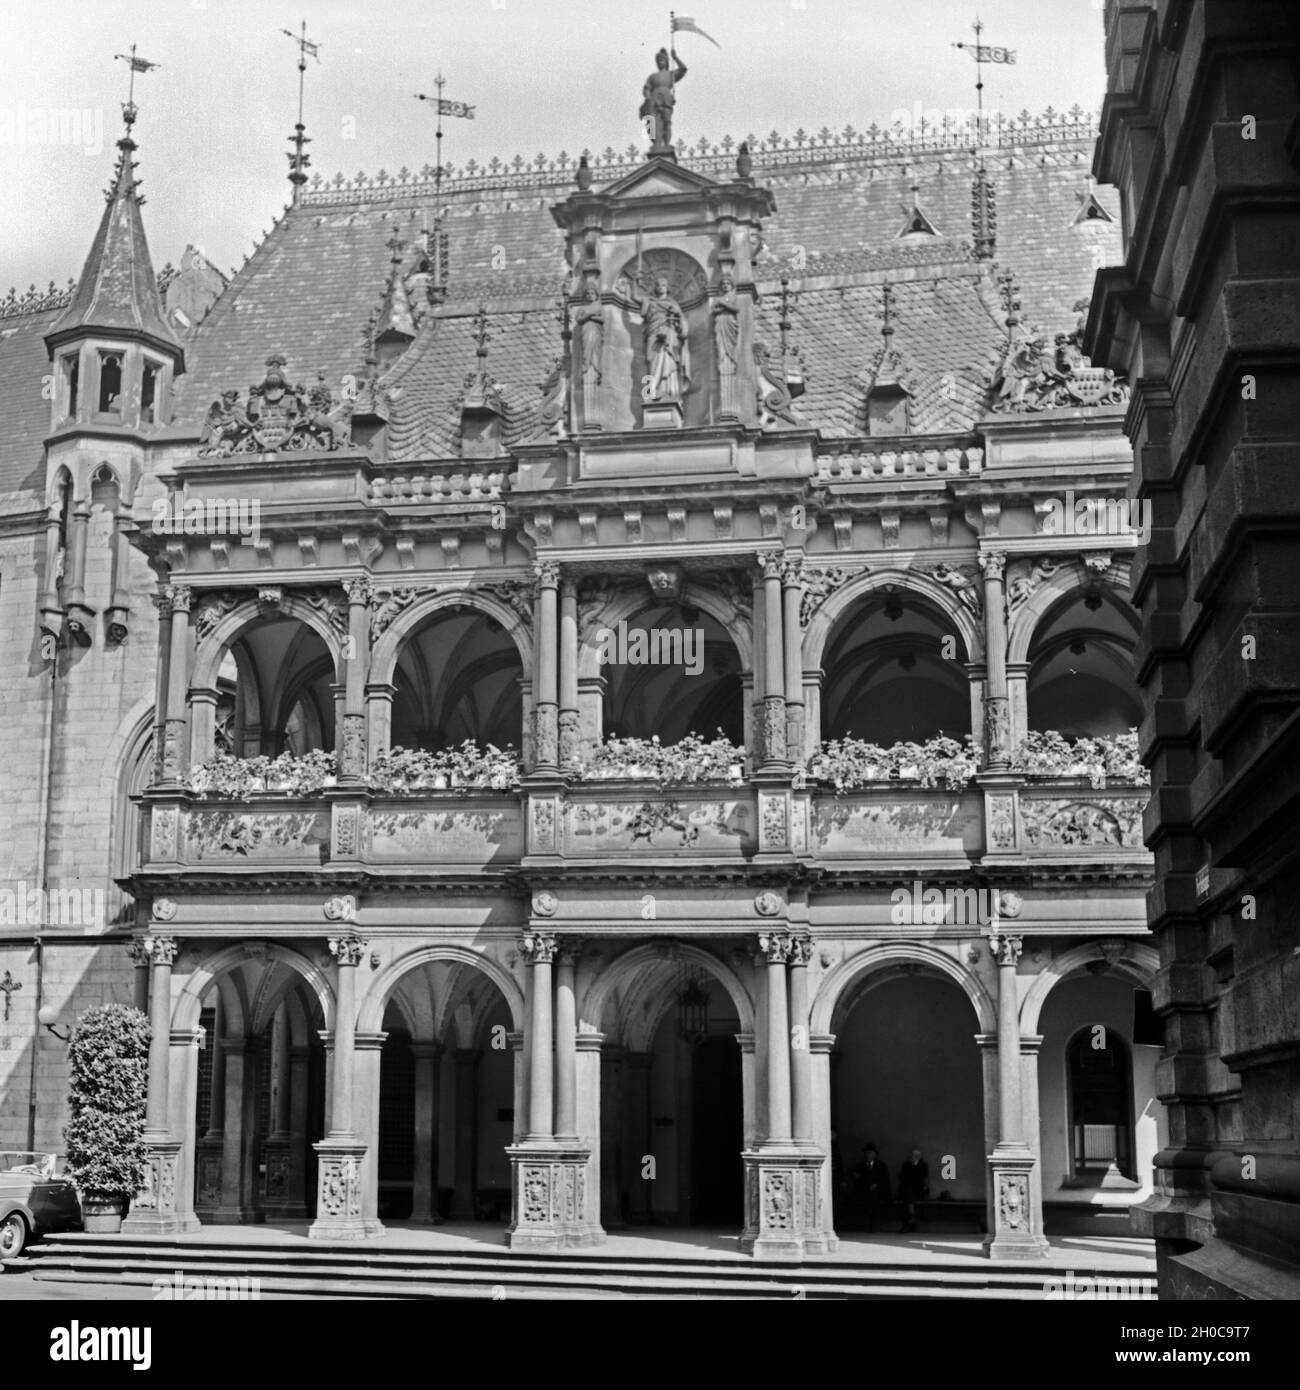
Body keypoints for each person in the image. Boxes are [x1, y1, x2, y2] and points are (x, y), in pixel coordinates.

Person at [640, 47, 687, 151]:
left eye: (662, 60)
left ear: (666, 62)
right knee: (652, 122)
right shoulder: (652, 77)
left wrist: (675, 58)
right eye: (658, 61)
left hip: (666, 99)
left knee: (666, 123)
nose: (660, 62)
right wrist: (648, 98)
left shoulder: (671, 75)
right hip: (653, 100)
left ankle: (666, 144)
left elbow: (683, 69)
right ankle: (656, 143)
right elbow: (646, 88)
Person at [853, 1143, 892, 1233]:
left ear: (875, 1154)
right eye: (867, 1153)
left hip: (878, 1191)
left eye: (871, 1153)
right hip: (864, 1190)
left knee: (874, 1199)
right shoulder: (860, 1165)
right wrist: (866, 1185)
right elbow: (858, 1179)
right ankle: (866, 1225)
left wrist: (876, 1184)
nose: (868, 1155)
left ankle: (873, 1225)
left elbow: (884, 1179)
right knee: (865, 1200)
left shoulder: (881, 1165)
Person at [898, 1147, 929, 1232]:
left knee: (908, 1197)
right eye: (912, 1155)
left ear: (919, 1156)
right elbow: (902, 1177)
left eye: (916, 1155)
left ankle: (911, 1219)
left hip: (918, 1190)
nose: (914, 1157)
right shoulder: (906, 1164)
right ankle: (912, 1218)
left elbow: (923, 1179)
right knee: (908, 1196)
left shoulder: (923, 1165)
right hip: (907, 1190)